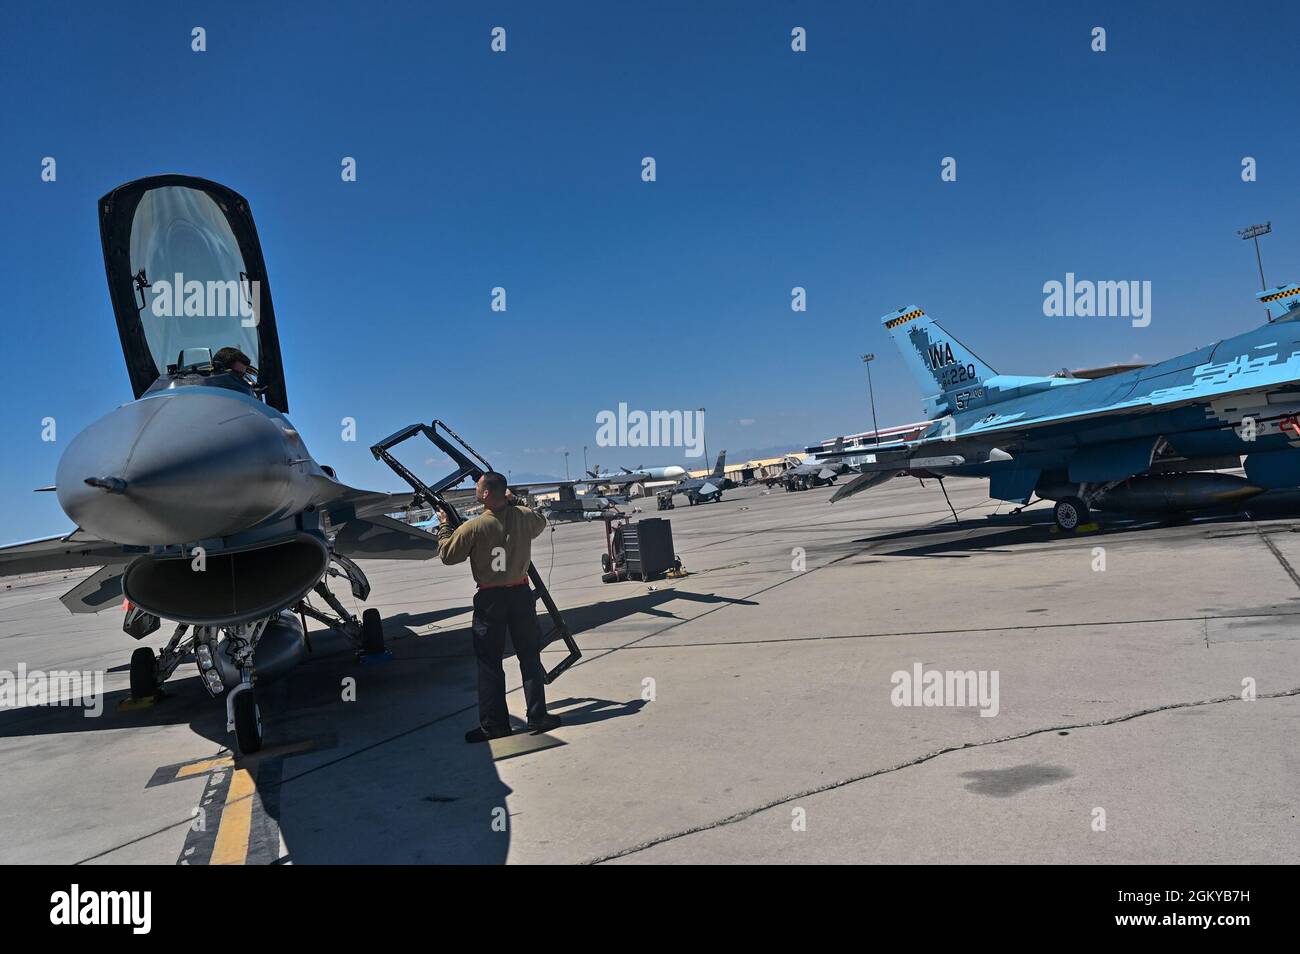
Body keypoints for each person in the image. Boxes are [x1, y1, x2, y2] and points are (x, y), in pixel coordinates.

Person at [434, 472, 561, 742]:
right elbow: (539, 521)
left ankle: (495, 725)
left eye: (478, 488)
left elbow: (447, 554)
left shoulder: (474, 527)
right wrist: (515, 503)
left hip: (490, 600)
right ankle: (538, 716)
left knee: (489, 663)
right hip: (521, 595)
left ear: (485, 495)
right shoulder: (524, 517)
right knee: (529, 656)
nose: (476, 491)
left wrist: (444, 525)